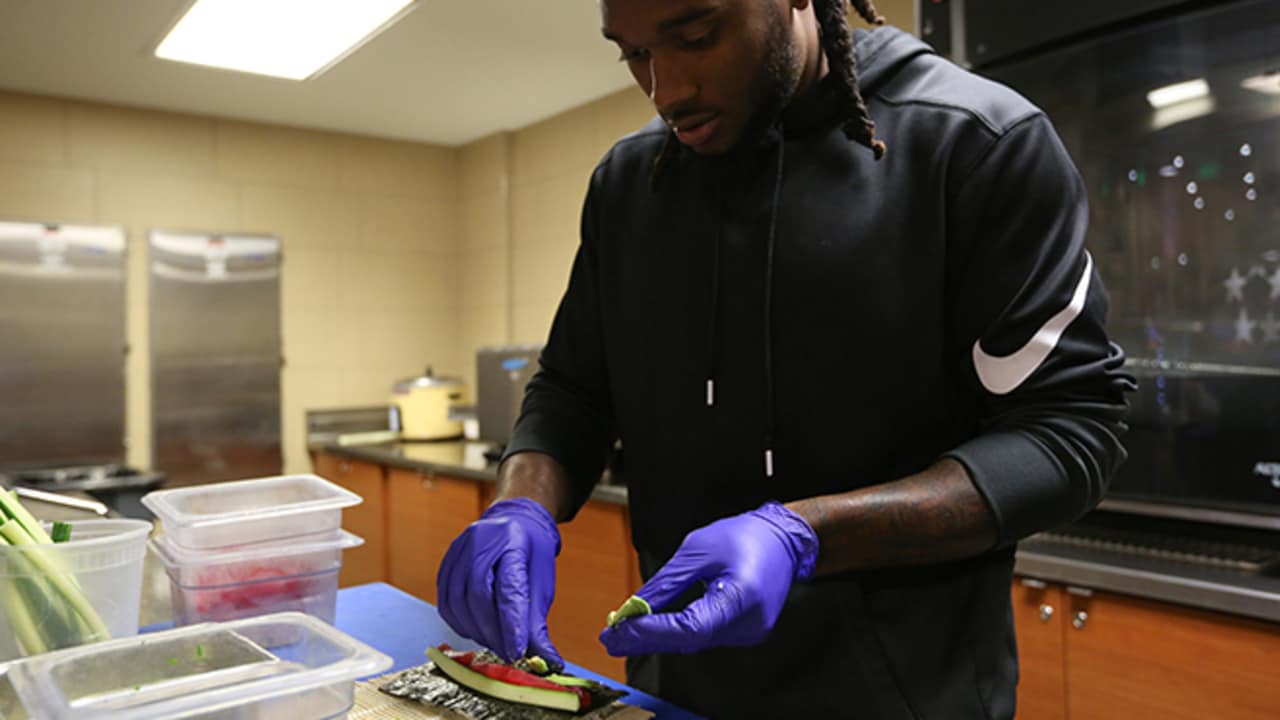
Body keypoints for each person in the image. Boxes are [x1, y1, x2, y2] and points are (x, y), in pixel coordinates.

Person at [437, 0, 1135, 717]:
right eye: (634, 54)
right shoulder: (629, 183)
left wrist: (804, 536)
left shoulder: (976, 143)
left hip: (906, 697)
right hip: (672, 689)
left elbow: (1069, 431)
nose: (666, 90)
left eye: (697, 36)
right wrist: (521, 504)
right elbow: (572, 390)